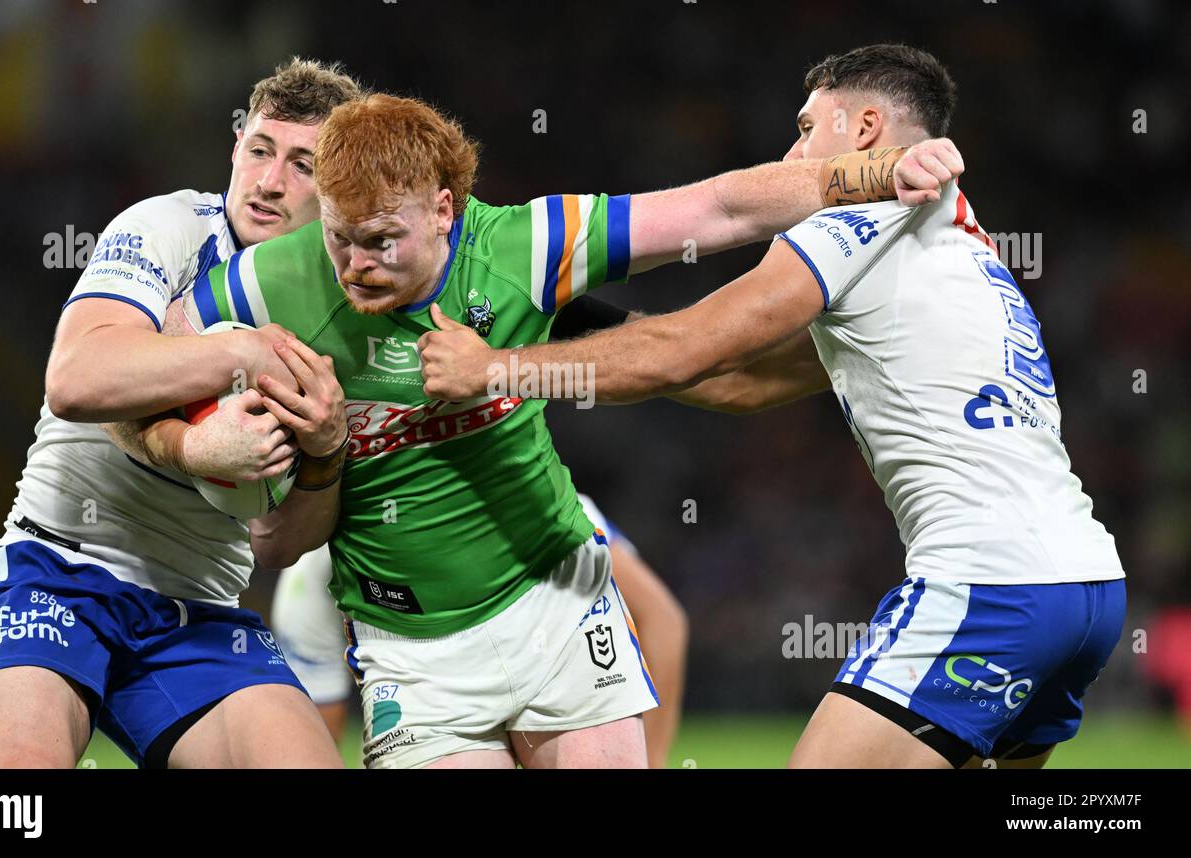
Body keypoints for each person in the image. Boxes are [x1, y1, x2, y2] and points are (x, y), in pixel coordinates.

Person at [128, 90, 961, 768]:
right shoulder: (267, 282)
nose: (356, 267)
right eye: (341, 241)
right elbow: (131, 374)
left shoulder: (527, 246)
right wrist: (199, 443)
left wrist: (881, 171)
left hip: (558, 606)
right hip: (412, 652)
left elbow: (719, 208)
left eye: (383, 241)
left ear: (446, 209)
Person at [420, 44, 1126, 769]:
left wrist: (497, 369)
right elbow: (735, 382)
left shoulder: (859, 219)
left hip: (990, 587)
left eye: (806, 127)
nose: (791, 152)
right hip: (1088, 588)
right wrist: (557, 312)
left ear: (865, 129)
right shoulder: (961, 248)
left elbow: (685, 348)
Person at [0, 58, 360, 769]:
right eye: (260, 151)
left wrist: (327, 454)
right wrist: (243, 354)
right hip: (57, 568)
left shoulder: (348, 319)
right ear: (235, 148)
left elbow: (275, 544)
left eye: (303, 165)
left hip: (200, 613)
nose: (269, 182)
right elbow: (76, 378)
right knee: (9, 806)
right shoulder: (168, 227)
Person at [270, 491, 689, 766]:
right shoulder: (311, 579)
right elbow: (316, 743)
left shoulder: (544, 506)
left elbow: (664, 622)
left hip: (562, 664)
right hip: (423, 697)